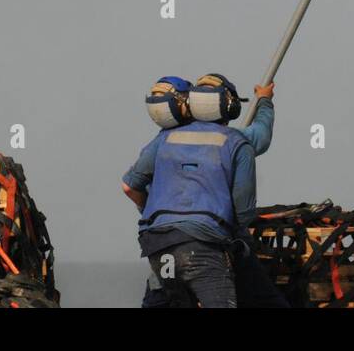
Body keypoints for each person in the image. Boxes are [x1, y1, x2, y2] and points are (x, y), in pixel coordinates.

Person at [122, 74, 286, 307]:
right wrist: (264, 101)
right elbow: (243, 213)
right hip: (202, 248)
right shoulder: (236, 142)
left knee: (163, 295)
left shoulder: (164, 139)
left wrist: (154, 213)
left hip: (158, 246)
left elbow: (128, 185)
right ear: (230, 106)